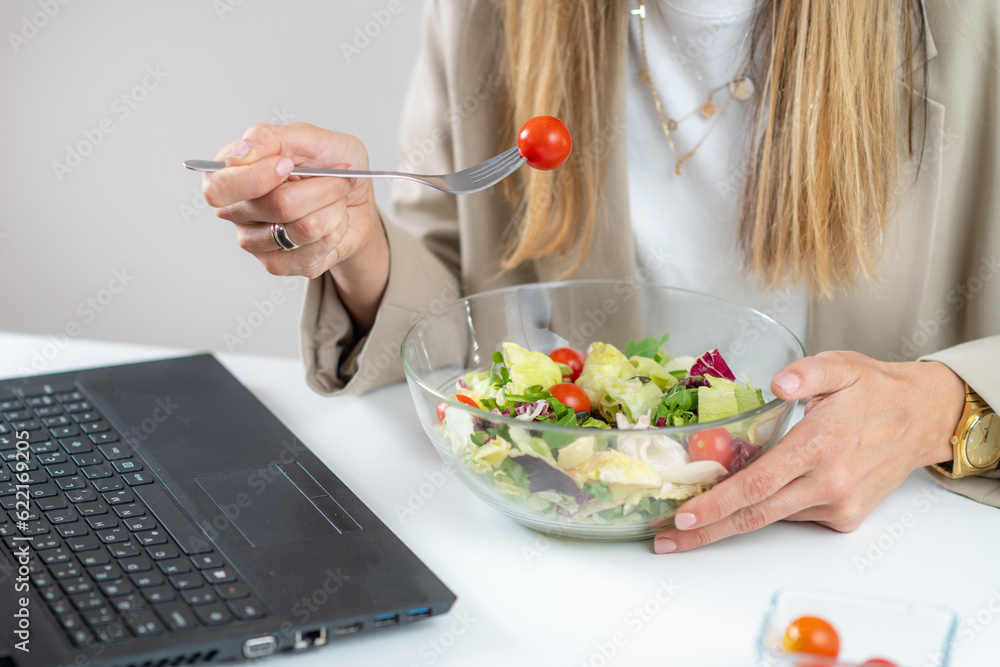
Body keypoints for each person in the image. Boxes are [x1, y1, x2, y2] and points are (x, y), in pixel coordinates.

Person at [202, 0, 1000, 554]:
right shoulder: (489, 13)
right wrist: (353, 238)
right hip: (568, 548)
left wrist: (941, 407)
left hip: (874, 552)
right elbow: (450, 303)